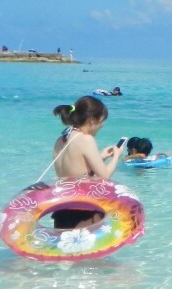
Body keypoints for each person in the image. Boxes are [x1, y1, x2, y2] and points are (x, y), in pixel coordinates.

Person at [48, 95, 123, 229]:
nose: (102, 126)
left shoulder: (60, 140)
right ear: (91, 120)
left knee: (66, 248)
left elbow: (74, 170)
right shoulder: (86, 139)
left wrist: (101, 157)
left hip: (62, 209)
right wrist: (116, 156)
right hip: (83, 209)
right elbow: (104, 176)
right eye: (101, 121)